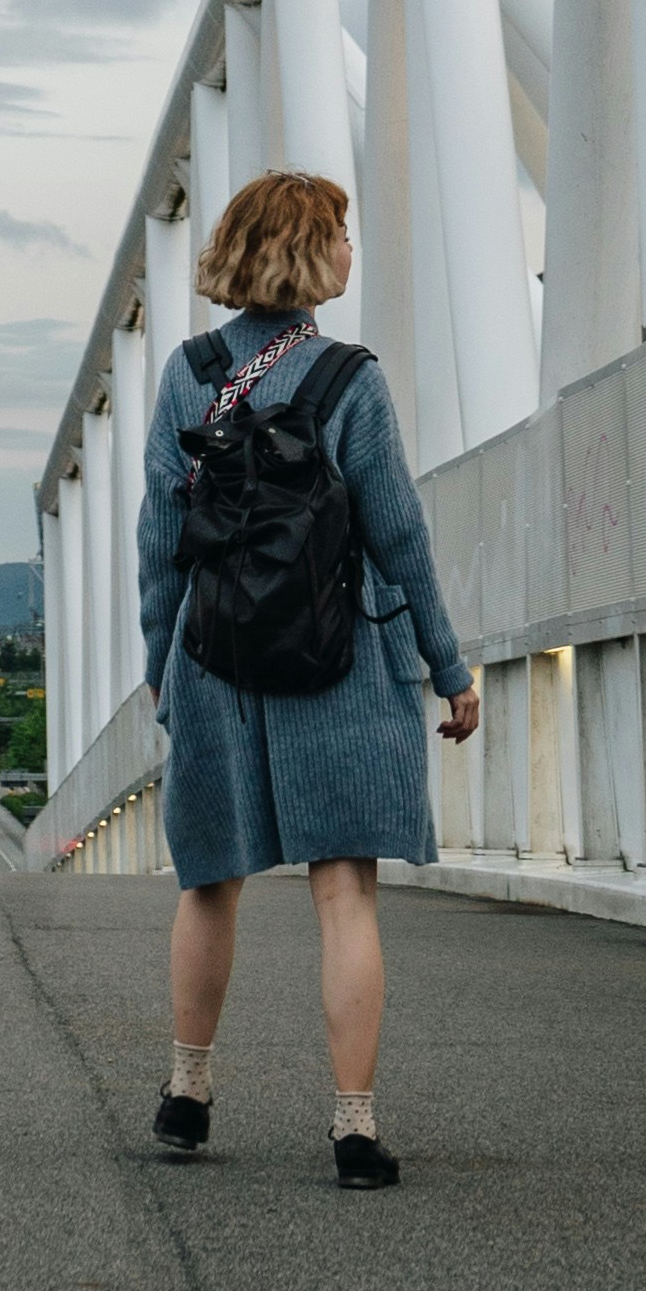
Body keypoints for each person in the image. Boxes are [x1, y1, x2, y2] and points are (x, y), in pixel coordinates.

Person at [137, 166, 478, 1189]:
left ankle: (186, 1094)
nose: (347, 247)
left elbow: (159, 543)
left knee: (208, 882)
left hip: (215, 663)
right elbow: (398, 534)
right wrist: (446, 664)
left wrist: (163, 670)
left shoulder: (187, 374)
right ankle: (352, 1125)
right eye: (340, 229)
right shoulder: (348, 379)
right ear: (310, 250)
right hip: (333, 664)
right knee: (344, 893)